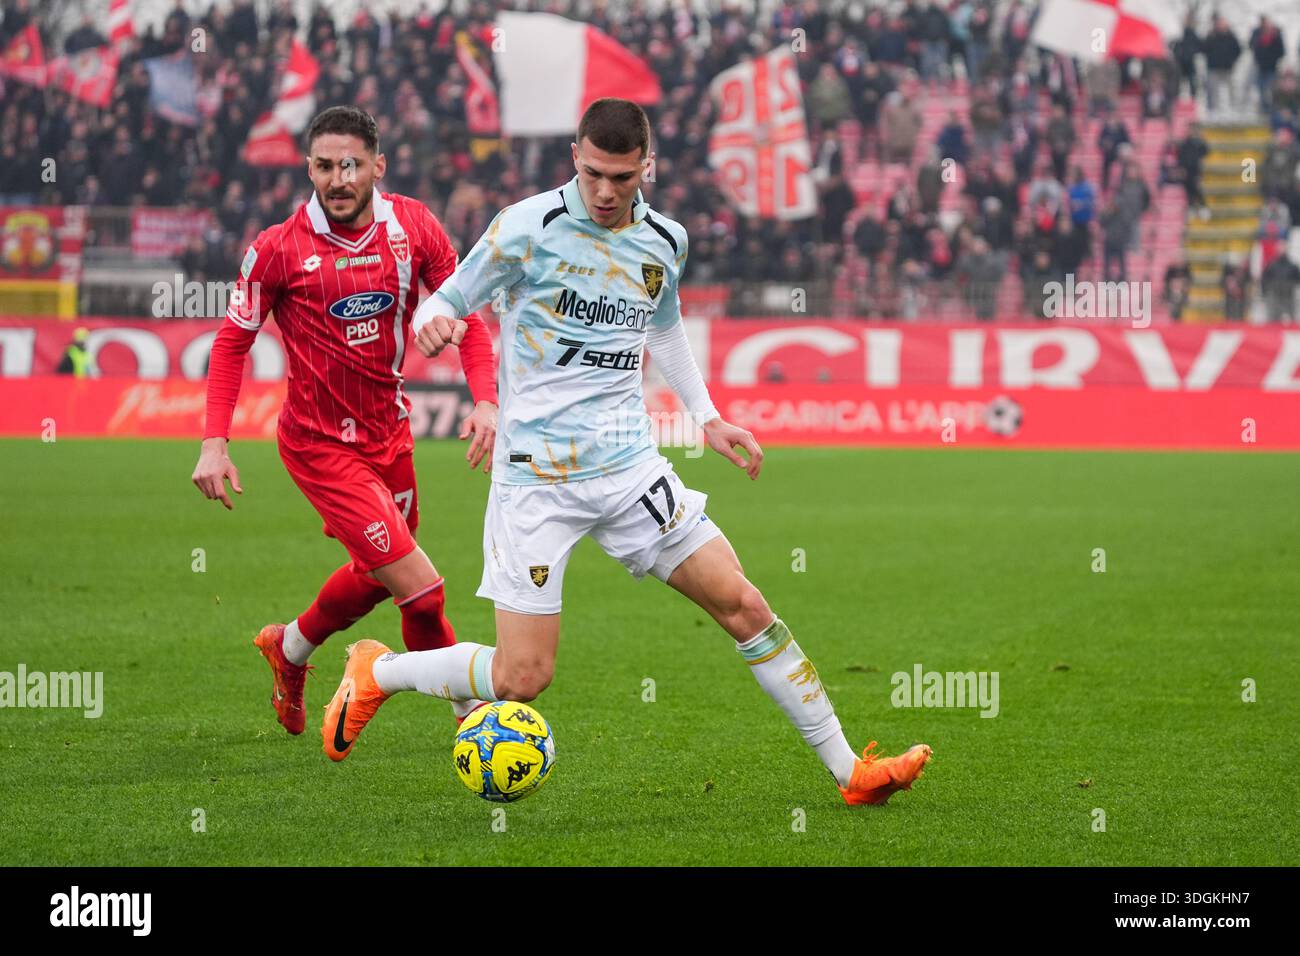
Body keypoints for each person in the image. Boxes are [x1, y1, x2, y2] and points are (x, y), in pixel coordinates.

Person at [319, 98, 933, 806]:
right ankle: (378, 672)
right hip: (537, 480)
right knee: (523, 678)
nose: (606, 193)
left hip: (630, 469)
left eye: (622, 177)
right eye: (593, 175)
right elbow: (447, 298)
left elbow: (664, 330)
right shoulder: (526, 228)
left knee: (745, 605)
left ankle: (850, 770)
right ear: (574, 159)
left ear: (648, 167)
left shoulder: (665, 241)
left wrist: (707, 419)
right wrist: (434, 323)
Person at [191, 106, 500, 735]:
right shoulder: (277, 249)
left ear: (377, 166)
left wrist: (487, 399)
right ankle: (472, 714)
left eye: (351, 164)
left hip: (391, 433)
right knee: (422, 587)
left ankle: (291, 648)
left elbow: (468, 319)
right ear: (309, 168)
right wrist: (213, 443)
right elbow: (230, 344)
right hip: (318, 446)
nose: (338, 178)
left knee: (378, 575)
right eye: (325, 165)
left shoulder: (415, 229)